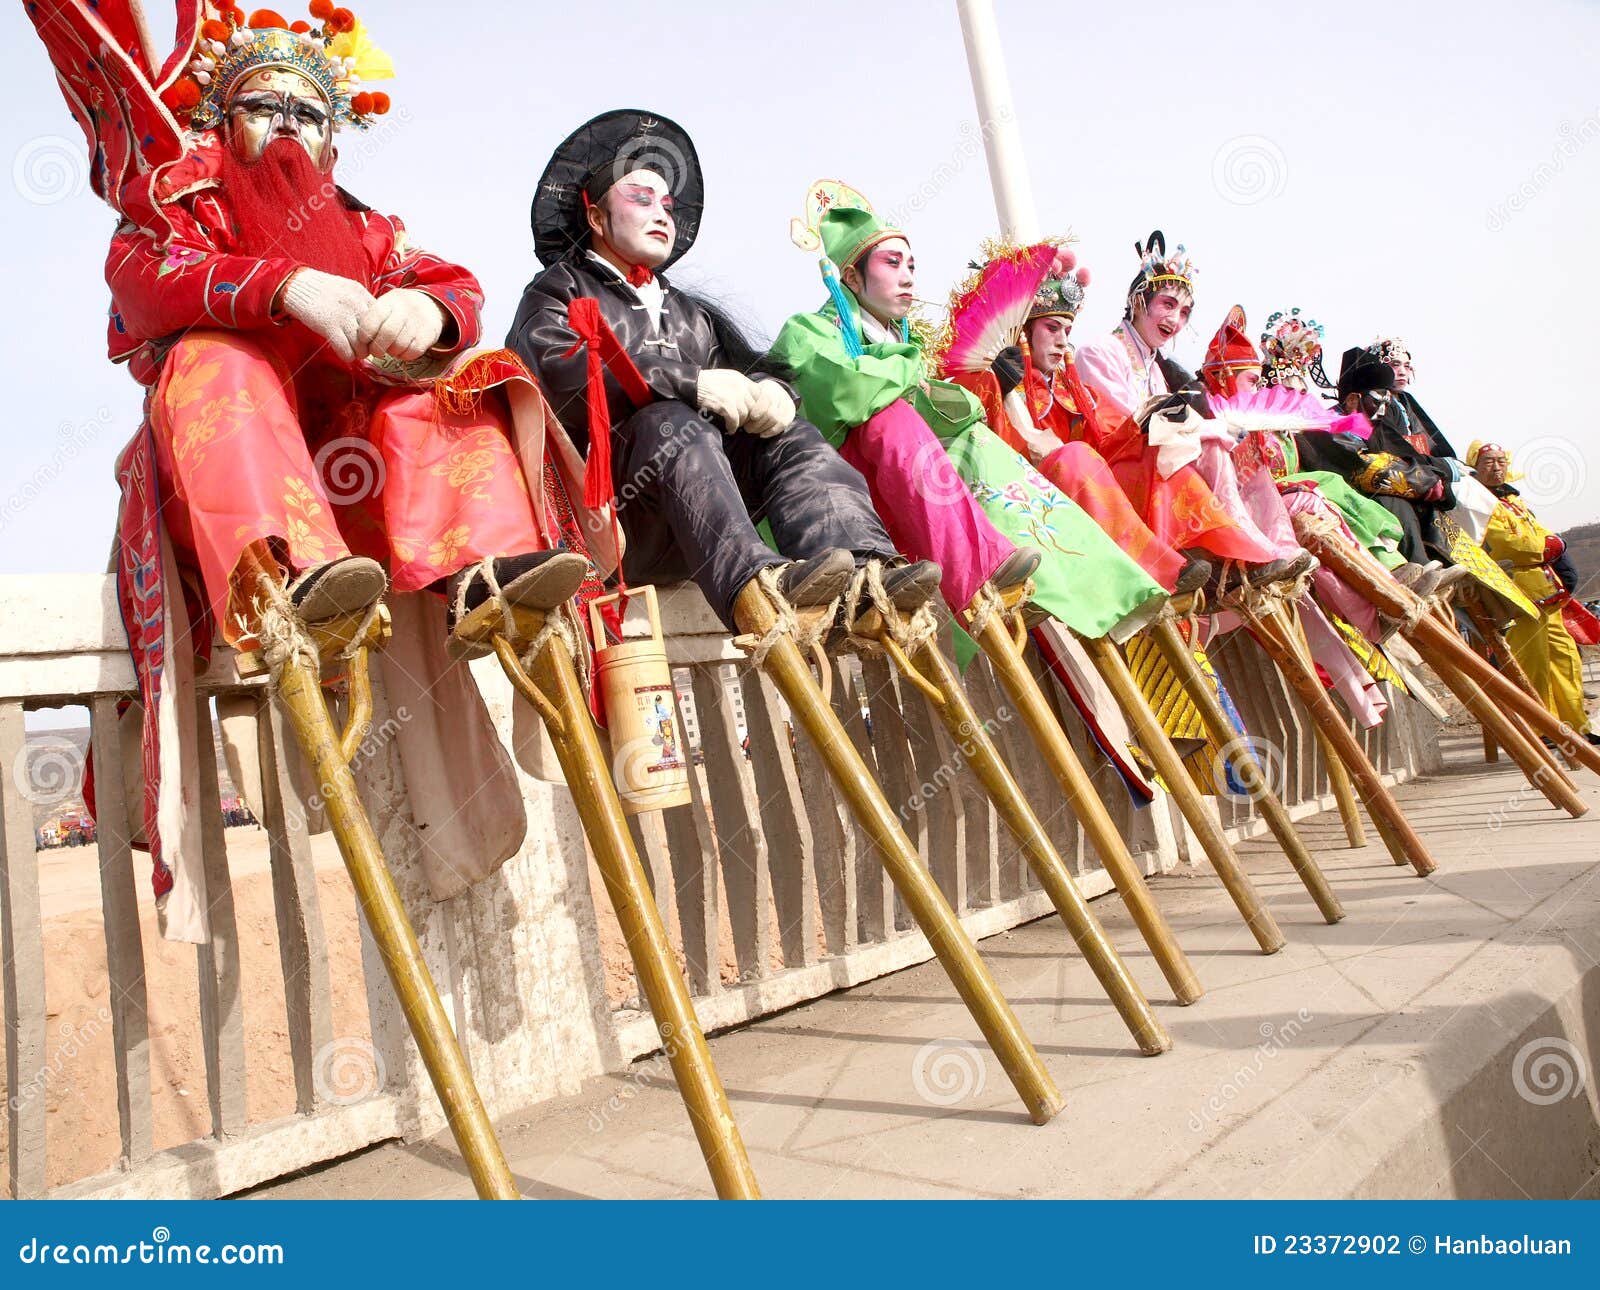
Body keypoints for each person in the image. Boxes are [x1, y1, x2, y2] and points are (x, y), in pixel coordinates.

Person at [26, 3, 600, 936]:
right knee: (217, 357)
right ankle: (293, 578)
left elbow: (450, 278)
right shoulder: (183, 200)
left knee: (458, 375)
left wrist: (434, 316)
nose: (289, 124)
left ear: (335, 140)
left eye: (309, 111)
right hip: (224, 493)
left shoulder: (370, 231)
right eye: (265, 105)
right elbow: (145, 279)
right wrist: (282, 287)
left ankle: (490, 573)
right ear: (223, 119)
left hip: (363, 485)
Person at [508, 113, 932, 631]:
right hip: (615, 520)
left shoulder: (693, 313)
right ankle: (757, 587)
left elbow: (757, 373)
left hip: (705, 514)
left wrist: (775, 391)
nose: (663, 213)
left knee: (792, 435)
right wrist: (690, 384)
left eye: (667, 204)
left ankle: (862, 574)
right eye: (641, 199)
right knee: (670, 422)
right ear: (595, 218)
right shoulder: (557, 290)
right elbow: (554, 373)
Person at [768, 194, 1167, 643]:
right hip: (853, 501)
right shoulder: (808, 331)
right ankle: (981, 572)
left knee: (981, 446)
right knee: (890, 418)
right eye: (892, 263)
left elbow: (954, 409)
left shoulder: (908, 345)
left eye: (912, 266)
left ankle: (1114, 581)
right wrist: (914, 374)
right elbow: (849, 391)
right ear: (850, 277)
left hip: (921, 483)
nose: (907, 277)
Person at [1072, 233, 1311, 584]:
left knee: (1245, 453)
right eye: (1167, 304)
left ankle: (1280, 545)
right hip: (1118, 464)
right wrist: (1207, 430)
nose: (1176, 320)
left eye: (1184, 312)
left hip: (1156, 454)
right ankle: (1245, 548)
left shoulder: (1155, 367)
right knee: (1214, 443)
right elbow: (1131, 424)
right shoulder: (1100, 350)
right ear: (1139, 302)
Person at [1471, 443, 1597, 742]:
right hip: (1516, 593)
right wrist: (1546, 547)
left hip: (1546, 590)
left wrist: (1548, 544)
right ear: (1475, 465)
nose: (1496, 466)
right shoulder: (1477, 502)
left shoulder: (1514, 498)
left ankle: (1575, 726)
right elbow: (1504, 544)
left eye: (1501, 460)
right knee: (1532, 663)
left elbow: (1539, 532)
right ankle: (1542, 730)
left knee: (1565, 658)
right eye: (1488, 461)